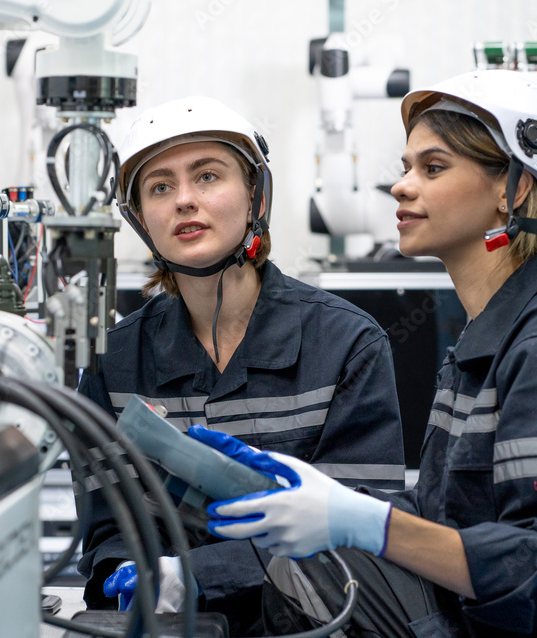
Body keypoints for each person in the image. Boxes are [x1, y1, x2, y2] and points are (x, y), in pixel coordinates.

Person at [189, 70, 537, 637]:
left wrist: (368, 524)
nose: (402, 187)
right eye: (407, 168)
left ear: (514, 190)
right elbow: (442, 520)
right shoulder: (487, 342)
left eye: (433, 168)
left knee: (319, 576)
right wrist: (330, 500)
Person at [75, 96, 407, 636]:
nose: (184, 201)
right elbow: (107, 528)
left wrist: (201, 573)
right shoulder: (112, 362)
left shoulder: (348, 343)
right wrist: (130, 575)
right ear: (139, 219)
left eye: (207, 176)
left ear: (256, 194)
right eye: (160, 186)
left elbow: (360, 533)